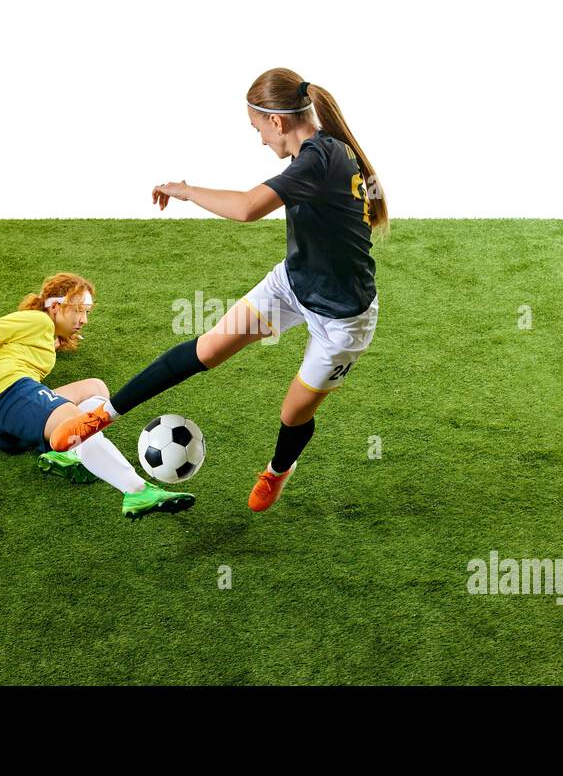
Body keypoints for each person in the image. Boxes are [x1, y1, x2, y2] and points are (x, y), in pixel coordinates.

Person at [48, 68, 387, 513]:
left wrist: (186, 190)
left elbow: (248, 208)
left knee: (294, 413)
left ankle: (278, 470)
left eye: (257, 128)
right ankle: (101, 416)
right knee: (208, 349)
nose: (260, 139)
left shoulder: (317, 159)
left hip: (343, 319)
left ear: (277, 122)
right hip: (293, 282)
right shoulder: (323, 151)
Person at [0, 272, 194, 520]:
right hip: (9, 394)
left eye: (87, 312)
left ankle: (64, 453)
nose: (84, 319)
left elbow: (29, 348)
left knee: (96, 388)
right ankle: (136, 489)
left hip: (9, 421)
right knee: (77, 422)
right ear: (55, 306)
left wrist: (58, 340)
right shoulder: (37, 320)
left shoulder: (43, 332)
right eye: (78, 310)